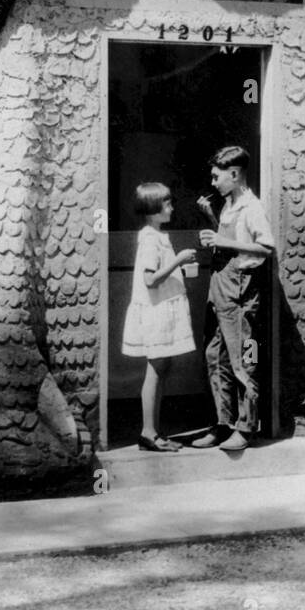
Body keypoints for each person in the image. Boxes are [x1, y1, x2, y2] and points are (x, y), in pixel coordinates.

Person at [192, 145, 275, 452]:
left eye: (217, 177)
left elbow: (266, 247)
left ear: (234, 174)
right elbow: (233, 242)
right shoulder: (230, 204)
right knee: (215, 356)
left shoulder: (252, 207)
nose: (213, 183)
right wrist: (212, 220)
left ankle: (247, 427)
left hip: (240, 290)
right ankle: (223, 423)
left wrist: (222, 239)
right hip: (220, 287)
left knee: (244, 360)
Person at [122, 182, 197, 452]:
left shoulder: (158, 235)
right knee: (155, 370)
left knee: (162, 368)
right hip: (155, 313)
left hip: (163, 310)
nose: (172, 207)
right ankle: (148, 432)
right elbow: (150, 279)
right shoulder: (150, 239)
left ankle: (153, 430)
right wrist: (178, 261)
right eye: (166, 203)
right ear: (153, 209)